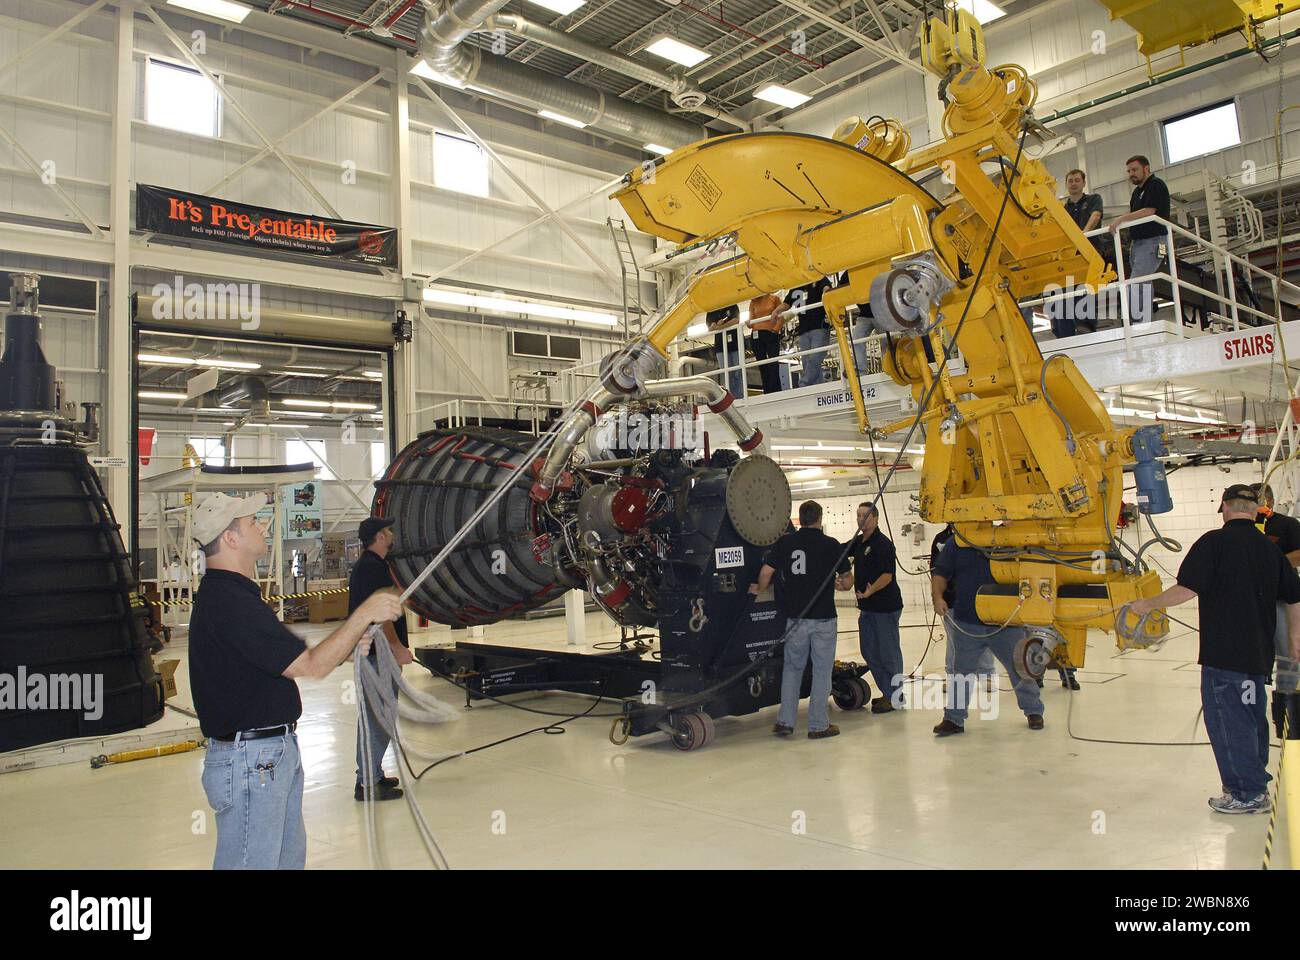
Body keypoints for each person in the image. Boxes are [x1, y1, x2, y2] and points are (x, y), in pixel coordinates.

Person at [188, 492, 403, 869]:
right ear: (230, 539)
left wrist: (352, 643)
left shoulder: (238, 596)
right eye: (252, 521)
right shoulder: (229, 601)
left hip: (269, 756)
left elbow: (298, 661)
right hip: (252, 763)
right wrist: (365, 613)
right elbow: (311, 667)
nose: (263, 525)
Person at [1131, 484, 1300, 814]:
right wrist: (1295, 642)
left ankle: (1246, 794)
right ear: (1256, 511)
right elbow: (1295, 598)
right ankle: (1255, 780)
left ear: (1224, 508)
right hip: (1259, 657)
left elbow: (1186, 589)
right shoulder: (1269, 550)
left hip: (1224, 657)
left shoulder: (1213, 543)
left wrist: (1147, 604)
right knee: (1252, 719)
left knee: (1228, 722)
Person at [750, 500, 852, 739]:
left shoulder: (785, 542)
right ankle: (818, 725)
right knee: (821, 671)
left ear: (801, 518)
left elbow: (766, 573)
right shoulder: (831, 545)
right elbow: (847, 580)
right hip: (824, 618)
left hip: (795, 619)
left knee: (793, 669)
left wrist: (758, 589)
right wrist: (842, 584)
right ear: (819, 518)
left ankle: (785, 722)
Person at [931, 536, 1045, 736]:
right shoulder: (957, 542)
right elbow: (940, 573)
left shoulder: (1010, 538)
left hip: (1005, 621)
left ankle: (1033, 710)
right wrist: (938, 598)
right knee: (961, 672)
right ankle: (954, 719)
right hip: (968, 619)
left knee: (1019, 667)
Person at [350, 516, 414, 802]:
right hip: (379, 656)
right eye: (388, 530)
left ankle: (372, 775)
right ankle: (366, 783)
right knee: (378, 720)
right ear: (378, 537)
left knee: (378, 718)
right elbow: (382, 616)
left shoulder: (371, 566)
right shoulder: (373, 569)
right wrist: (397, 647)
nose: (391, 534)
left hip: (376, 655)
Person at [846, 503, 905, 713]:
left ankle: (895, 696)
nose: (861, 519)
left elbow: (887, 576)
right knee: (869, 651)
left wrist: (871, 591)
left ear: (876, 519)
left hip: (885, 607)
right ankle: (887, 692)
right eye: (858, 515)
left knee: (888, 653)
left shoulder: (883, 544)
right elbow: (840, 552)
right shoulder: (859, 542)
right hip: (867, 607)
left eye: (865, 515)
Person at [1108, 155, 1170, 325]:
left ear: (1146, 168)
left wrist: (1121, 219)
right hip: (1138, 243)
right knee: (1141, 283)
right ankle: (1143, 324)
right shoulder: (1137, 192)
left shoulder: (1156, 185)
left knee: (1135, 284)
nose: (1131, 174)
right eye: (1129, 171)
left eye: (1134, 170)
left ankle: (1139, 326)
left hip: (1153, 241)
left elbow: (1150, 211)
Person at [930, 524, 995, 685]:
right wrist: (937, 597)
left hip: (980, 598)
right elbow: (936, 571)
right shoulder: (941, 539)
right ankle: (953, 676)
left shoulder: (985, 535)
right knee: (953, 641)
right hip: (951, 599)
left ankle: (986, 674)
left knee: (983, 636)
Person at [1253, 483, 1300, 695]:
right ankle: (1255, 695)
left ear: (1269, 501)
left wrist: (1276, 562)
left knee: (1287, 651)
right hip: (1253, 602)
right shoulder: (1245, 528)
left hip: (1282, 600)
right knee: (1254, 651)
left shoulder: (1287, 525)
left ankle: (1286, 697)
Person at [1052, 168, 1105, 338]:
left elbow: (1095, 216)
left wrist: (1083, 235)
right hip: (1068, 256)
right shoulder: (1062, 208)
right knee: (1063, 292)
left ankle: (1086, 326)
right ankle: (1063, 332)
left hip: (1088, 252)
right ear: (1066, 184)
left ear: (1083, 182)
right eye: (1070, 181)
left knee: (1084, 289)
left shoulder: (1093, 199)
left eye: (1076, 180)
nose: (1073, 183)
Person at [789, 273, 842, 387]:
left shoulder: (818, 278)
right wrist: (776, 313)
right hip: (803, 330)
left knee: (814, 358)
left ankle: (804, 383)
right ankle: (818, 386)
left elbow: (826, 288)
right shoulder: (796, 285)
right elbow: (786, 303)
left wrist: (826, 297)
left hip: (819, 327)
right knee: (806, 361)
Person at [747, 291, 790, 394]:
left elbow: (781, 317)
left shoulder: (774, 298)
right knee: (762, 364)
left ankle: (776, 390)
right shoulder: (753, 302)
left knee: (773, 363)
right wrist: (748, 323)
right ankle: (767, 391)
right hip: (756, 334)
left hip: (771, 332)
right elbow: (751, 322)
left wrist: (775, 330)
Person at [707, 305, 745, 398]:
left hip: (736, 343)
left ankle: (739, 396)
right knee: (726, 373)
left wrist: (720, 325)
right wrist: (722, 325)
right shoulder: (711, 311)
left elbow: (736, 320)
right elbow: (710, 328)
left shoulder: (732, 305)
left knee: (738, 371)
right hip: (720, 346)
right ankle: (729, 396)